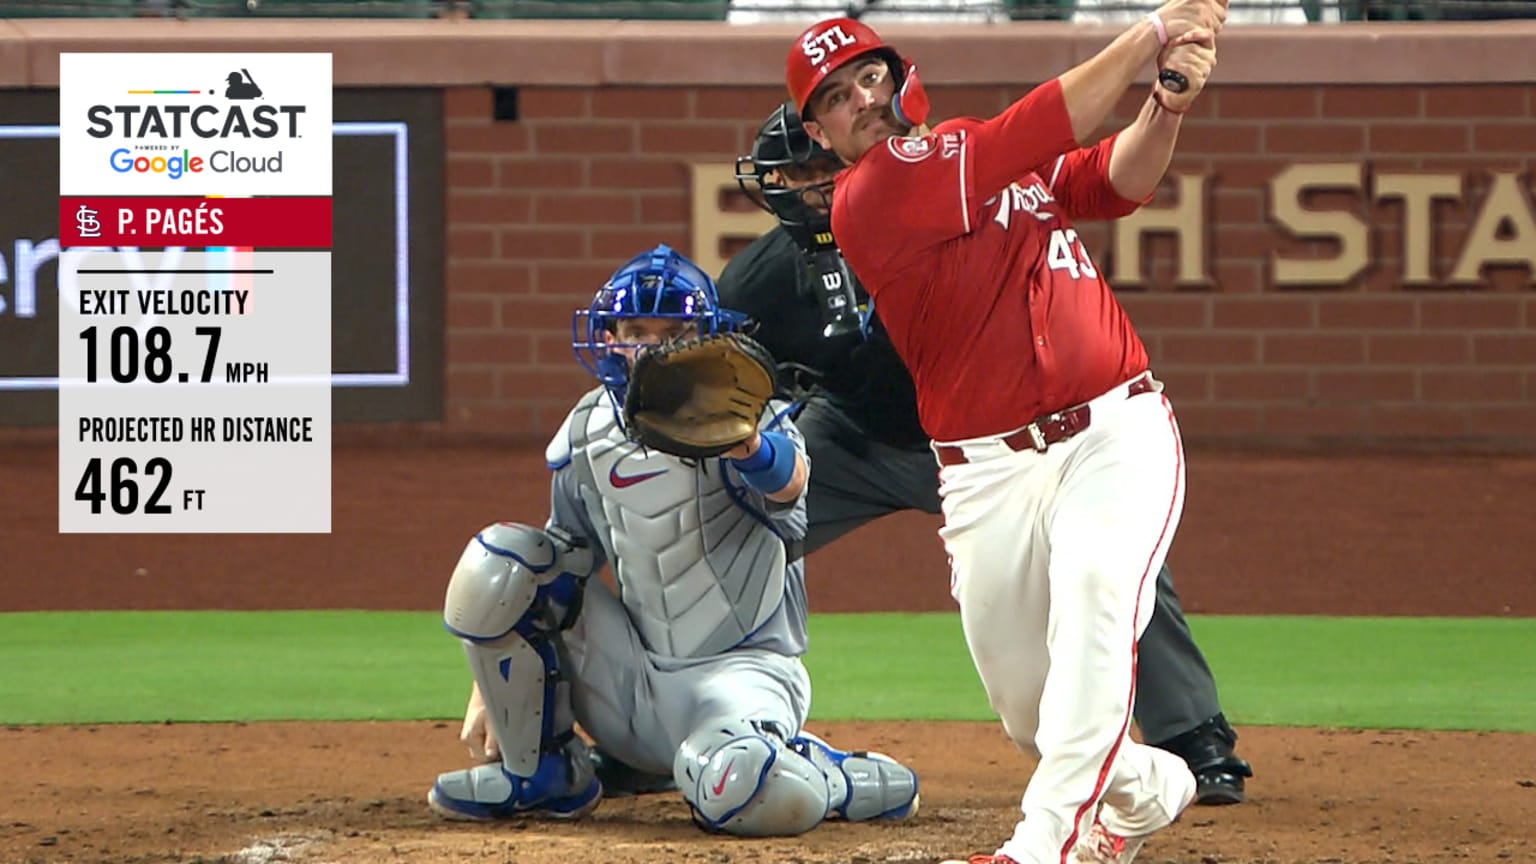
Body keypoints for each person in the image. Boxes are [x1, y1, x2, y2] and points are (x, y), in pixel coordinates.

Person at [784, 6, 1226, 864]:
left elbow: (1116, 183)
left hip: (1111, 431)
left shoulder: (969, 154)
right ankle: (1149, 789)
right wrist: (1151, 36)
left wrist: (1166, 106)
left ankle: (1042, 847)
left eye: (869, 76)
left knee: (1099, 593)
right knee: (1031, 710)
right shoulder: (873, 192)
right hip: (984, 473)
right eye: (836, 97)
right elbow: (1045, 121)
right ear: (819, 132)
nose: (863, 100)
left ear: (899, 73)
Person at [425, 243, 921, 838]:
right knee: (501, 565)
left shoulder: (748, 416)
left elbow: (787, 486)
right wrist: (490, 687)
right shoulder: (588, 429)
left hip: (738, 681)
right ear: (608, 337)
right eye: (636, 330)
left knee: (752, 800)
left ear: (706, 336)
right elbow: (556, 566)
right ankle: (546, 775)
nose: (652, 348)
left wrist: (744, 444)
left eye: (673, 331)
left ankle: (829, 773)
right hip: (629, 679)